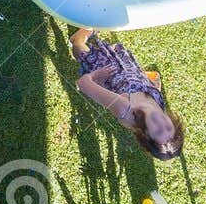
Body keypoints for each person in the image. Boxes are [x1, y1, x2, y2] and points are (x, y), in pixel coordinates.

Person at [69, 28, 184, 160]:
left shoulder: (126, 108)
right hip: (128, 71)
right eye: (168, 127)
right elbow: (152, 90)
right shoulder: (159, 107)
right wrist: (151, 84)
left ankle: (76, 40)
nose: (161, 123)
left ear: (147, 134)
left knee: (81, 50)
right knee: (112, 51)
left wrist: (96, 75)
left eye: (158, 131)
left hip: (106, 70)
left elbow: (82, 84)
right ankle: (107, 49)